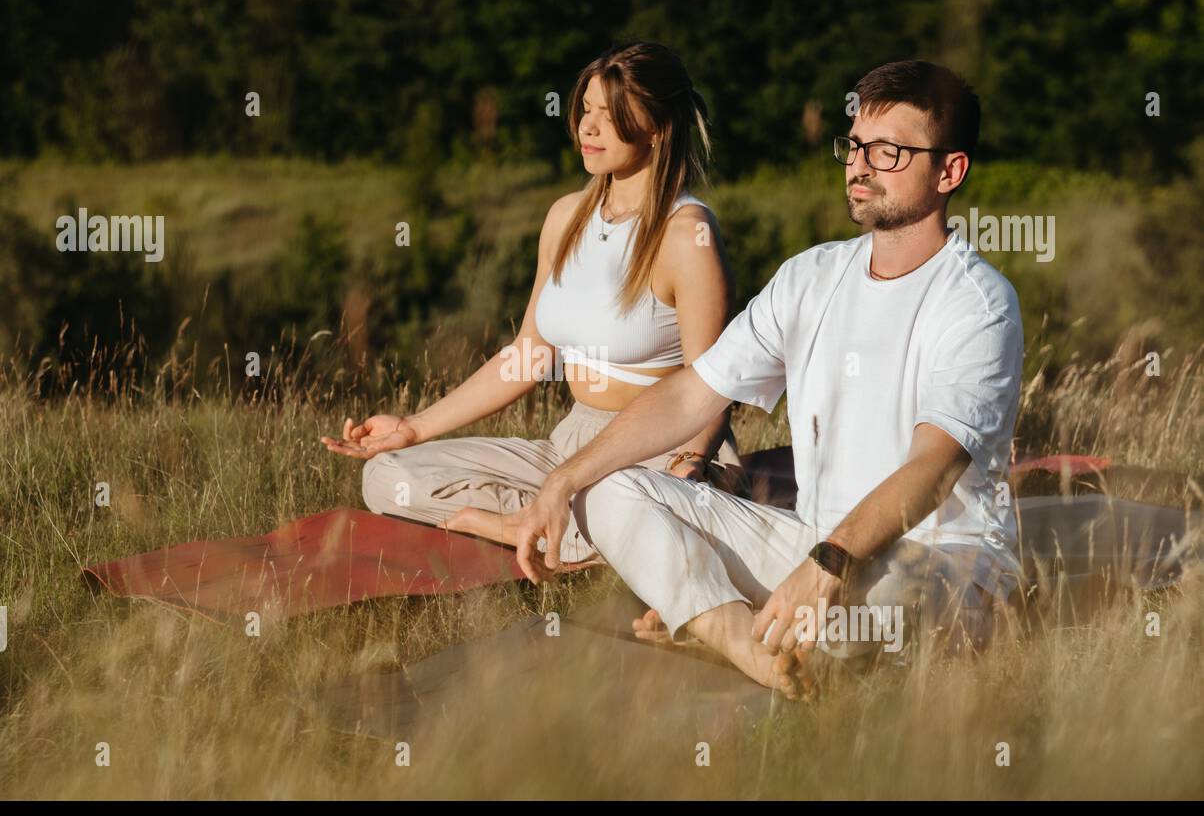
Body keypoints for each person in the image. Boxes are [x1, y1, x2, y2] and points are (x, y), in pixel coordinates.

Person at [514, 60, 1026, 698]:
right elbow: (693, 393)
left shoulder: (978, 304)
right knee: (606, 487)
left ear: (949, 171)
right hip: (813, 544)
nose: (861, 166)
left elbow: (934, 466)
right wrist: (563, 479)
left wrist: (832, 560)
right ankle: (738, 638)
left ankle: (736, 621)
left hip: (938, 561)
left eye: (889, 152)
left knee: (876, 614)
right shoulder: (811, 276)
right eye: (856, 145)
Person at [322, 40, 744, 564]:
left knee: (644, 514)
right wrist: (413, 426)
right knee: (388, 475)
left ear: (657, 127)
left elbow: (713, 387)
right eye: (585, 110)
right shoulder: (566, 218)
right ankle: (547, 525)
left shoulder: (687, 234)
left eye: (608, 116)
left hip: (660, 451)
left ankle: (564, 526)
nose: (586, 128)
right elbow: (529, 356)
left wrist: (692, 464)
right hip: (572, 441)